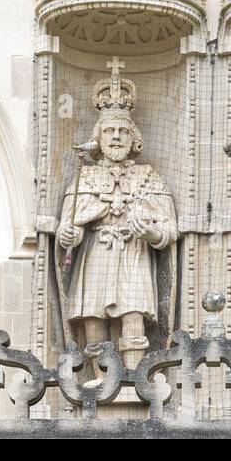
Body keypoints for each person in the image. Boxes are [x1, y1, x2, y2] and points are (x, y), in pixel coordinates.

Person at [57, 58, 177, 368]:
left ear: (133, 138)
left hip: (134, 254)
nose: (116, 136)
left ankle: (133, 383)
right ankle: (100, 382)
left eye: (123, 131)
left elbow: (169, 228)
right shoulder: (85, 177)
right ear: (98, 138)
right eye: (109, 130)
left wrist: (151, 232)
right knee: (94, 323)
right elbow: (70, 223)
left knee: (133, 319)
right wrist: (70, 233)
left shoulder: (148, 176)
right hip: (97, 254)